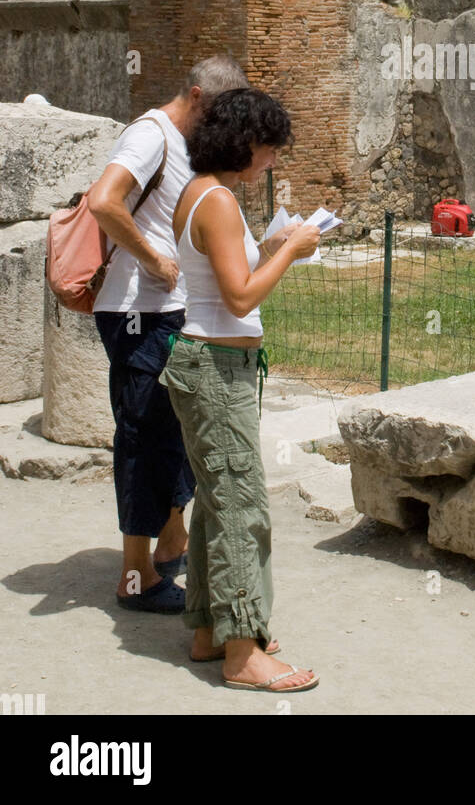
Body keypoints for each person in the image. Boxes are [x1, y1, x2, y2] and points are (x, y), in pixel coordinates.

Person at [162, 87, 321, 691]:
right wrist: (295, 251)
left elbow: (226, 277)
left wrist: (274, 248)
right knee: (240, 506)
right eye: (271, 150)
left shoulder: (196, 191)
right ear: (247, 144)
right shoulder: (220, 202)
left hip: (206, 363)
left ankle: (208, 628)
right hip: (216, 371)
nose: (273, 162)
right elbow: (241, 296)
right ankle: (241, 650)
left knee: (215, 500)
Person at [88, 55, 249, 613]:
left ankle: (168, 542)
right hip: (137, 313)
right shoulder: (150, 135)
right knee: (141, 439)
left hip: (167, 313)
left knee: (174, 432)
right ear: (199, 96)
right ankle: (135, 575)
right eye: (219, 114)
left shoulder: (183, 145)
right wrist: (152, 258)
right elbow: (102, 201)